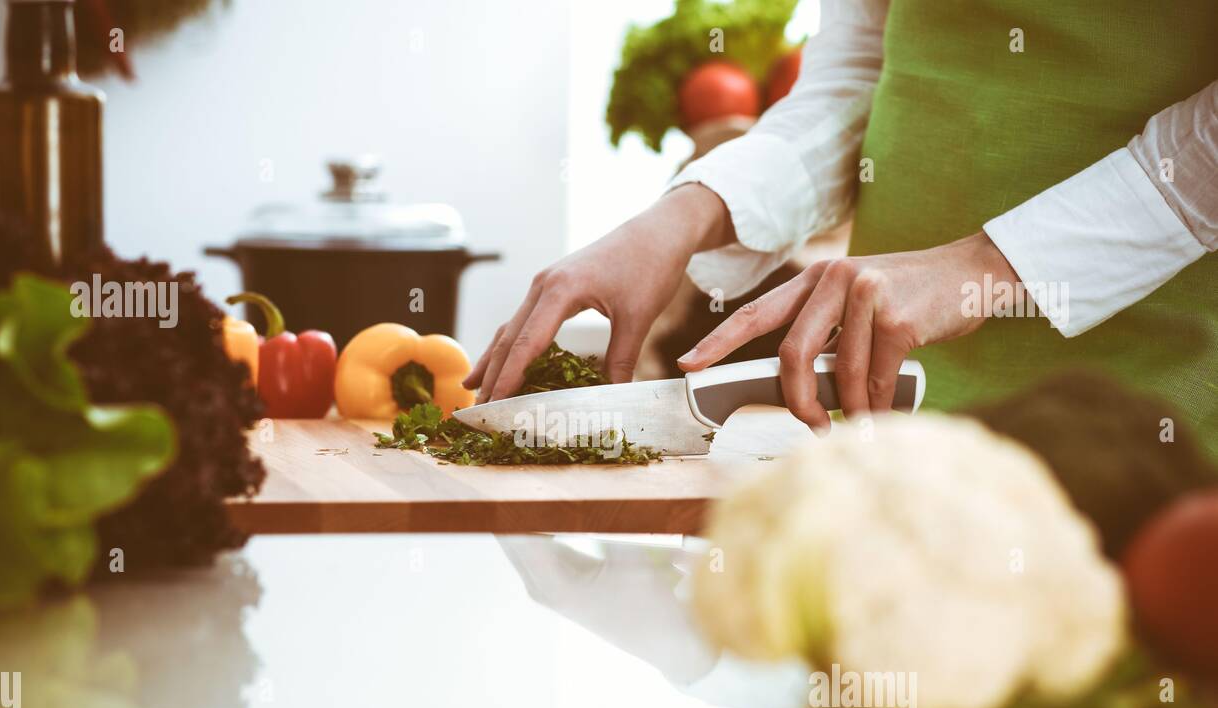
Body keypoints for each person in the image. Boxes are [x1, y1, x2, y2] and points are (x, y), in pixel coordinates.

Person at [464, 0, 1218, 453]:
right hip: (881, 397)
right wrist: (684, 212)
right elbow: (861, 68)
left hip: (1149, 398)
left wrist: (989, 265)